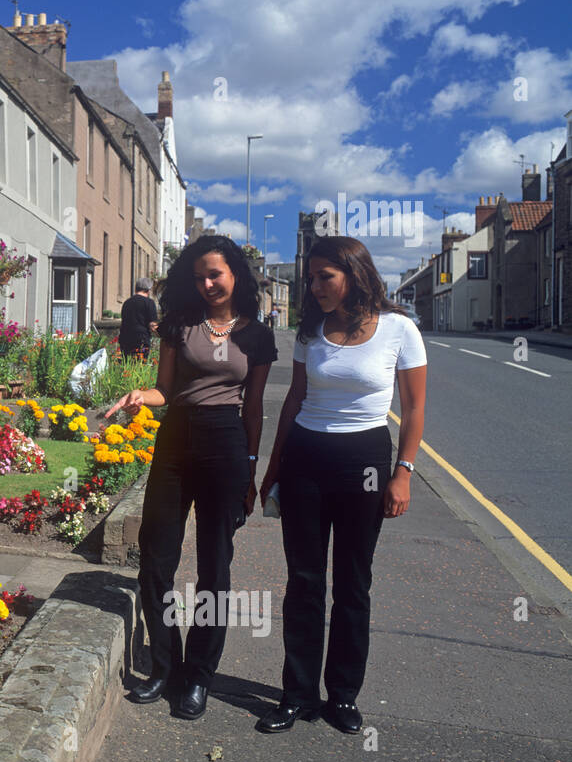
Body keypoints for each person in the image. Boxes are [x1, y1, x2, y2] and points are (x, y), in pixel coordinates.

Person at [256, 236, 426, 734]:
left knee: (353, 584)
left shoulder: (399, 329)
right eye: (311, 277)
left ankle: (344, 696)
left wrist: (404, 473)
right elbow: (294, 400)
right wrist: (272, 470)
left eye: (324, 276)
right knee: (303, 582)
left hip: (366, 463)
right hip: (306, 458)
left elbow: (414, 409)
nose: (315, 286)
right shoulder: (311, 330)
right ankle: (298, 693)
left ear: (354, 273)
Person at [106, 235, 276, 719]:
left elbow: (256, 409)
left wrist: (250, 471)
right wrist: (141, 396)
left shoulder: (256, 336)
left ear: (235, 275)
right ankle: (165, 667)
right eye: (200, 275)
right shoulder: (180, 325)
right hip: (176, 440)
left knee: (214, 569)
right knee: (157, 559)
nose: (207, 283)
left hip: (226, 446)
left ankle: (198, 676)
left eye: (215, 274)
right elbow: (165, 389)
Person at [119, 277, 159, 359]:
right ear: (148, 290)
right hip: (141, 340)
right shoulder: (149, 303)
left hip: (125, 339)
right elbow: (153, 326)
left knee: (127, 367)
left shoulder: (127, 303)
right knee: (140, 366)